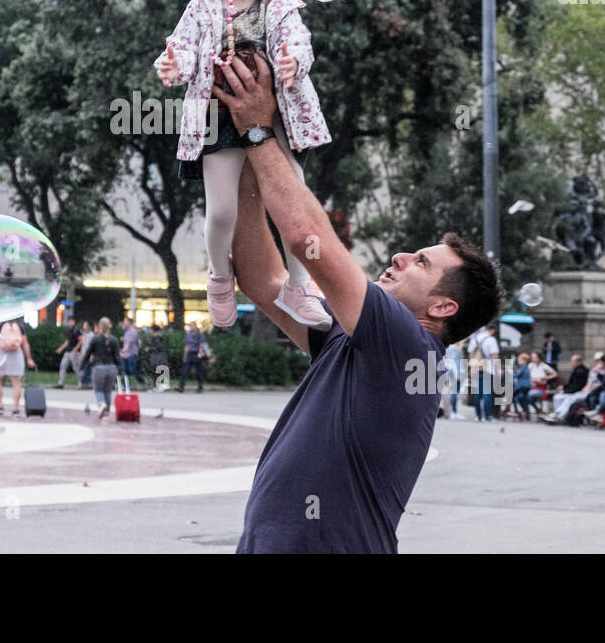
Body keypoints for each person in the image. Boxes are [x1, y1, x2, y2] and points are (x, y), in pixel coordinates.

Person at [213, 50, 502, 552]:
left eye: (422, 262)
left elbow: (307, 237)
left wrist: (259, 131)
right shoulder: (354, 342)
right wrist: (239, 147)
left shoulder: (409, 346)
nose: (400, 255)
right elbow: (263, 279)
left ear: (441, 308)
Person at [155, 0, 331, 330]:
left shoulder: (281, 6)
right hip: (217, 115)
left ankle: (299, 285)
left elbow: (298, 44)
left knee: (294, 203)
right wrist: (172, 65)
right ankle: (219, 275)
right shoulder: (201, 7)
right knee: (220, 212)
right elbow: (184, 50)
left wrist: (293, 62)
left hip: (275, 116)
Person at [0, 319, 34, 417]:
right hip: (16, 354)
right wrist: (29, 359)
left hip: (1, 353)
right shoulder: (19, 324)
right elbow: (25, 343)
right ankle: (15, 409)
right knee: (16, 382)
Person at [84, 318, 122, 419]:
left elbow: (88, 353)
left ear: (100, 326)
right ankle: (107, 412)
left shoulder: (95, 339)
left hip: (99, 368)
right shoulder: (114, 339)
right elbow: (117, 357)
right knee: (108, 391)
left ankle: (101, 404)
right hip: (112, 368)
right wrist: (121, 370)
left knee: (98, 390)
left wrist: (82, 364)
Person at [468, 323, 501, 421]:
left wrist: (471, 368)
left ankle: (478, 416)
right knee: (487, 393)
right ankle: (488, 416)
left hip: (476, 368)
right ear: (492, 330)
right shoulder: (491, 340)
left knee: (478, 392)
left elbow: (471, 354)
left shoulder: (474, 338)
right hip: (488, 368)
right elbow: (494, 356)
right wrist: (498, 368)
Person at [54, 318, 83, 389]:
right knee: (63, 366)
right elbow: (67, 341)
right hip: (68, 352)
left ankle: (80, 383)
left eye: (70, 321)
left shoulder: (77, 330)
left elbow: (81, 340)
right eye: (68, 321)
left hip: (75, 352)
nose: (69, 323)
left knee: (76, 368)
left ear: (74, 322)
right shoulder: (69, 331)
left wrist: (76, 349)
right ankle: (60, 383)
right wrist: (60, 348)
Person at [526, 351, 557, 415]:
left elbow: (555, 374)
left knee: (528, 395)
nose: (534, 360)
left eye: (535, 358)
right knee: (523, 394)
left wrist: (545, 378)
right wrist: (534, 379)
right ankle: (537, 409)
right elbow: (527, 376)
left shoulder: (544, 366)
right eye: (532, 358)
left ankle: (537, 410)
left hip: (540, 388)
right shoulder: (531, 365)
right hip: (531, 386)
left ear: (539, 358)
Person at [178, 321, 205, 393]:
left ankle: (200, 387)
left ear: (196, 326)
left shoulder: (200, 334)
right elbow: (186, 346)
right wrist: (184, 356)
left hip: (196, 353)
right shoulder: (188, 334)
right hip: (189, 354)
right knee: (185, 371)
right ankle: (181, 387)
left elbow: (201, 345)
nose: (191, 327)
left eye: (193, 325)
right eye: (190, 326)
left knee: (198, 372)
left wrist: (199, 355)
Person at [442, 340, 465, 420]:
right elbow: (455, 363)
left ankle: (451, 412)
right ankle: (453, 412)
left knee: (449, 393)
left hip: (448, 372)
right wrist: (458, 375)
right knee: (453, 393)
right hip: (454, 374)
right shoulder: (455, 348)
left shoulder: (448, 347)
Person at [119, 316, 143, 387]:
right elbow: (128, 340)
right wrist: (123, 338)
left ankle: (141, 381)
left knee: (131, 370)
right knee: (125, 370)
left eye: (125, 321)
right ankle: (126, 384)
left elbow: (127, 345)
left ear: (129, 322)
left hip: (131, 354)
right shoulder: (127, 331)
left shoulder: (132, 331)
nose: (123, 322)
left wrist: (121, 352)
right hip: (126, 354)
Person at [511, 352, 534, 420]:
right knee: (523, 399)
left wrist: (510, 372)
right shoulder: (525, 367)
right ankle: (525, 413)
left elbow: (517, 375)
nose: (518, 361)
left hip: (521, 386)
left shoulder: (523, 367)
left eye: (519, 360)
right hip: (525, 386)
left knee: (514, 398)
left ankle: (518, 412)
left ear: (524, 360)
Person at [77, 320, 95, 388]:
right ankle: (86, 383)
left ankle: (81, 383)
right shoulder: (84, 335)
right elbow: (83, 345)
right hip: (84, 355)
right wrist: (81, 354)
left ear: (89, 327)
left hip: (89, 356)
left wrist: (92, 356)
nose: (84, 327)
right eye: (84, 325)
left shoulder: (92, 336)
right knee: (86, 370)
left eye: (85, 326)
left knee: (86, 369)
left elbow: (93, 347)